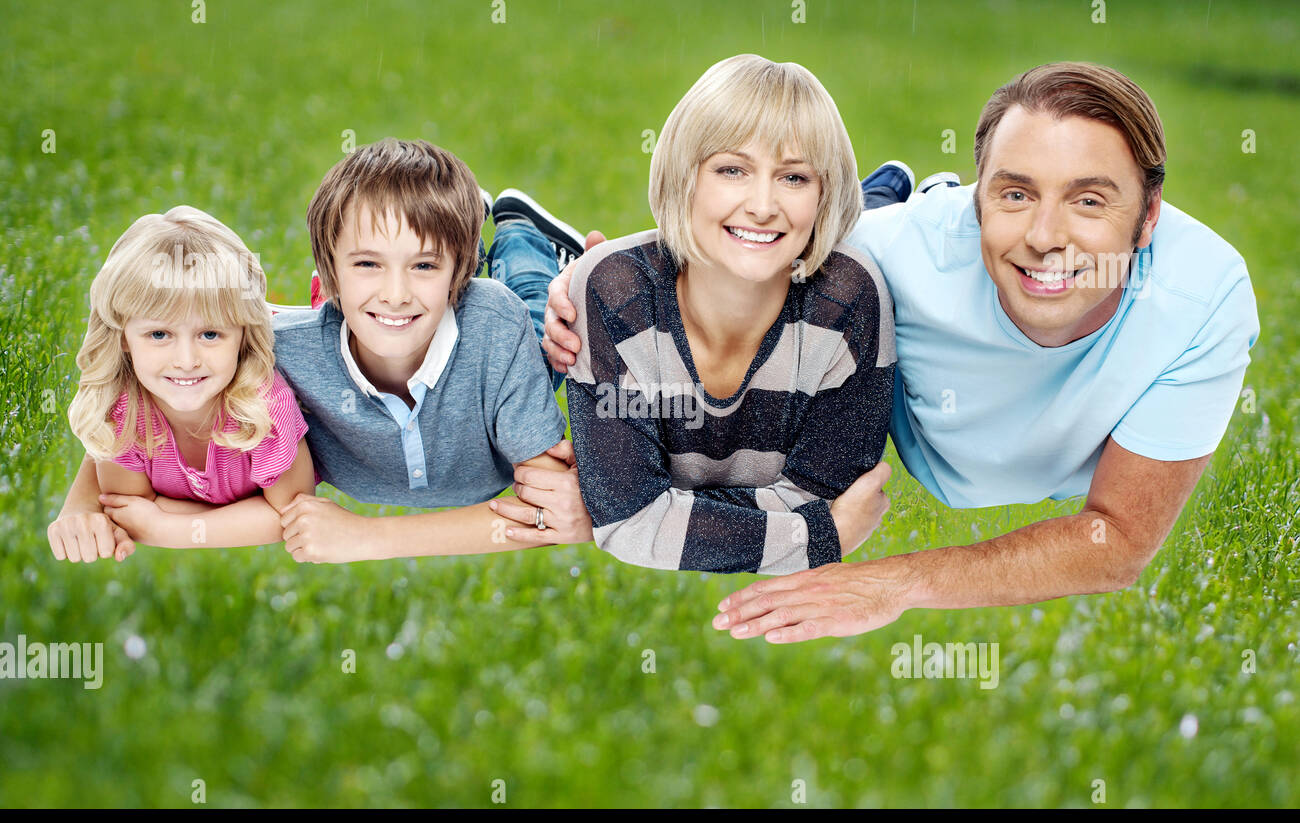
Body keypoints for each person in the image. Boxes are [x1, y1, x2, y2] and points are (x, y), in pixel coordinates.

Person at [542, 62, 1260, 639]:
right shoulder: (886, 266)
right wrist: (583, 285)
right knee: (854, 238)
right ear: (977, 201)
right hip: (895, 253)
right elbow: (735, 245)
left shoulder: (1203, 300)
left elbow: (1118, 541)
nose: (1045, 237)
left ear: (1149, 216)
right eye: (1014, 195)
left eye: (1090, 200)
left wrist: (898, 581)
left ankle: (887, 189)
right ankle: (891, 192)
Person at [52, 139, 593, 563]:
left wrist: (367, 537)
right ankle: (451, 230)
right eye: (367, 263)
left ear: (457, 274)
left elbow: (545, 514)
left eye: (424, 263)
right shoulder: (270, 348)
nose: (395, 293)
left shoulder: (492, 327)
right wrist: (81, 506)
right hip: (384, 310)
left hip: (498, 341)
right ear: (328, 276)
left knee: (539, 333)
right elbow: (151, 379)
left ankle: (521, 233)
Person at [564, 54, 896, 574]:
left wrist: (667, 514)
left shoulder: (851, 299)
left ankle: (888, 195)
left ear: (823, 193)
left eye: (794, 177)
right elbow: (628, 520)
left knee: (873, 229)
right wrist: (820, 538)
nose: (762, 205)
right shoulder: (613, 291)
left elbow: (820, 494)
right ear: (685, 177)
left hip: (835, 255)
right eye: (732, 170)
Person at [48, 206, 315, 560]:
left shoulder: (264, 406)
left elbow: (294, 517)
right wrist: (247, 518)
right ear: (123, 336)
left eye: (210, 333)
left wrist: (168, 528)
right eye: (159, 334)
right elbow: (128, 509)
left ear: (243, 334)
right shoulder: (121, 411)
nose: (186, 361)